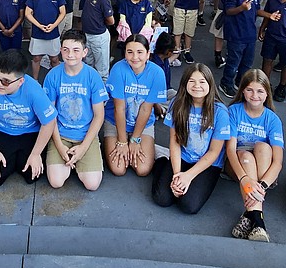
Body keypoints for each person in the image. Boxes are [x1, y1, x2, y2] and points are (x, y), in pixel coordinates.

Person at [0, 49, 59, 187]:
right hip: (2, 130)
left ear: (20, 81)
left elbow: (49, 122)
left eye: (6, 81)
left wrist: (36, 154)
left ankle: (18, 158)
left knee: (32, 174)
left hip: (29, 132)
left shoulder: (34, 90)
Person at [152, 64, 230, 215]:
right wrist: (176, 175)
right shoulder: (177, 104)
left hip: (207, 164)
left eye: (202, 82)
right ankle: (162, 163)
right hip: (182, 157)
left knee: (188, 205)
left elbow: (214, 152)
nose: (197, 86)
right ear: (185, 83)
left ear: (210, 84)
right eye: (192, 81)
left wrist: (187, 176)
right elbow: (174, 141)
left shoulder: (220, 112)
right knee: (162, 199)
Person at [43, 30, 108, 191]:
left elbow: (99, 116)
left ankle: (78, 159)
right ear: (60, 50)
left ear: (85, 52)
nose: (70, 54)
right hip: (61, 134)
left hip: (86, 135)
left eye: (76, 50)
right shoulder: (53, 75)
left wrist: (83, 147)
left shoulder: (93, 76)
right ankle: (68, 160)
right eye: (65, 49)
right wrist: (58, 145)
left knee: (92, 184)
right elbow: (50, 116)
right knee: (56, 181)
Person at [227, 69, 284, 242]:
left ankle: (250, 216)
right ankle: (259, 222)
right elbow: (230, 150)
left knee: (263, 147)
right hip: (237, 164)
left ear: (267, 93)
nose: (254, 95)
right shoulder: (234, 111)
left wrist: (262, 186)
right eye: (250, 90)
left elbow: (278, 162)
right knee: (246, 155)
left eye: (260, 91)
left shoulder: (272, 119)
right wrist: (245, 178)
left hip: (263, 172)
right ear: (242, 90)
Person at [103, 35, 168, 177]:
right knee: (118, 169)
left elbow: (146, 108)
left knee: (142, 170)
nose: (135, 57)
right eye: (129, 52)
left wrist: (135, 139)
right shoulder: (118, 69)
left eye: (140, 52)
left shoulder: (157, 73)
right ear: (125, 53)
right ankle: (122, 141)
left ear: (148, 54)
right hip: (115, 121)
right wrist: (122, 141)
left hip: (142, 123)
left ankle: (148, 145)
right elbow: (119, 108)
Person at [25, 0, 67, 79]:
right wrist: (38, 25)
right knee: (36, 58)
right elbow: (27, 13)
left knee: (54, 59)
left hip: (53, 34)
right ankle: (35, 81)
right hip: (37, 33)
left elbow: (62, 12)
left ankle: (57, 80)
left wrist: (54, 26)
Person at [81, 0, 115, 80]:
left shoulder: (104, 0)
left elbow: (111, 20)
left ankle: (103, 91)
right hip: (88, 36)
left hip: (99, 37)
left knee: (102, 68)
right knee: (88, 62)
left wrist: (99, 22)